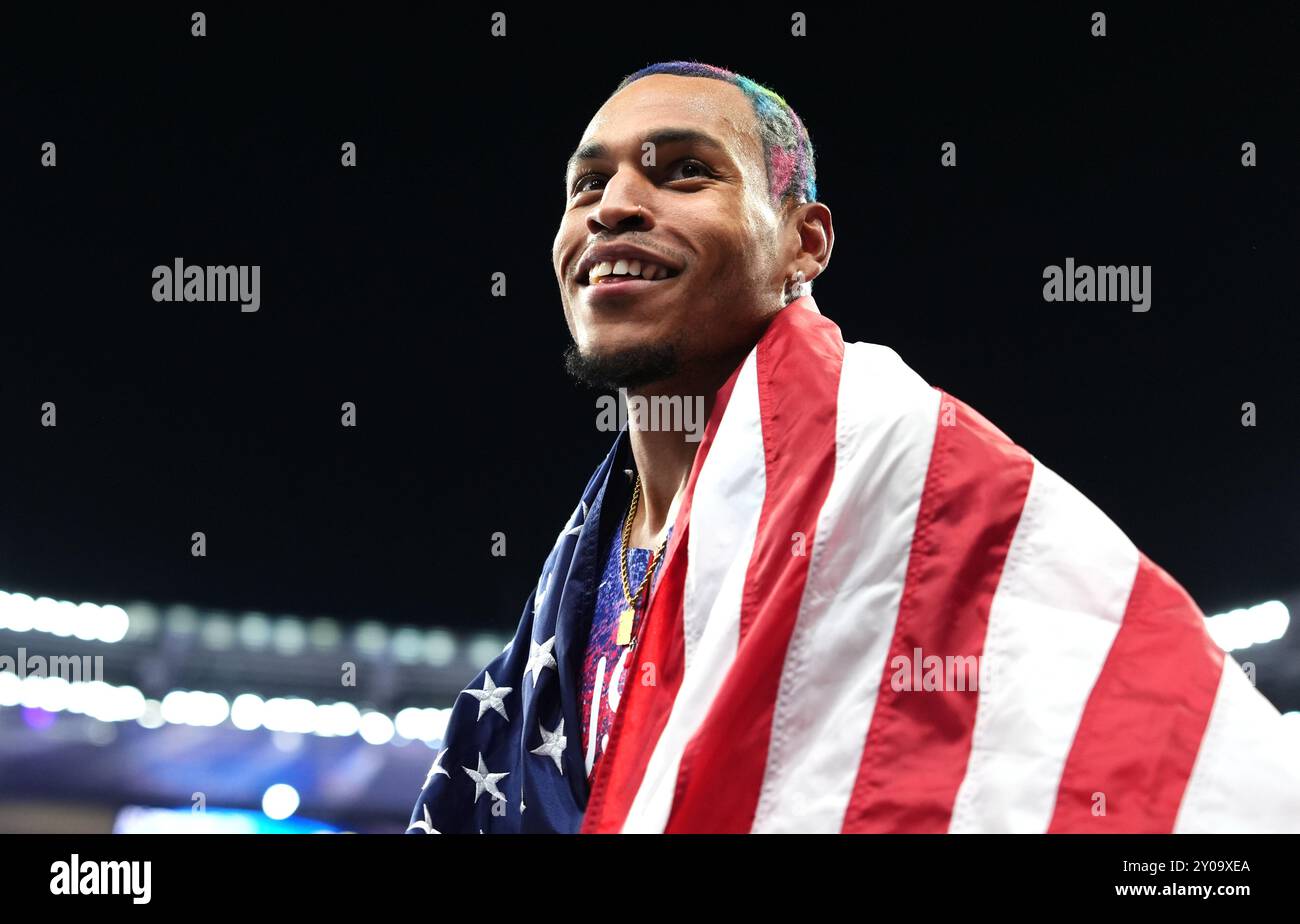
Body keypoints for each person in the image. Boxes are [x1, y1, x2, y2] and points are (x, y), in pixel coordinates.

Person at [407, 61, 1300, 834]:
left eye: (684, 172)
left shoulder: (897, 460)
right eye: (586, 185)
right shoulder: (572, 580)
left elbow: (1180, 765)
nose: (614, 209)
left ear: (805, 243)